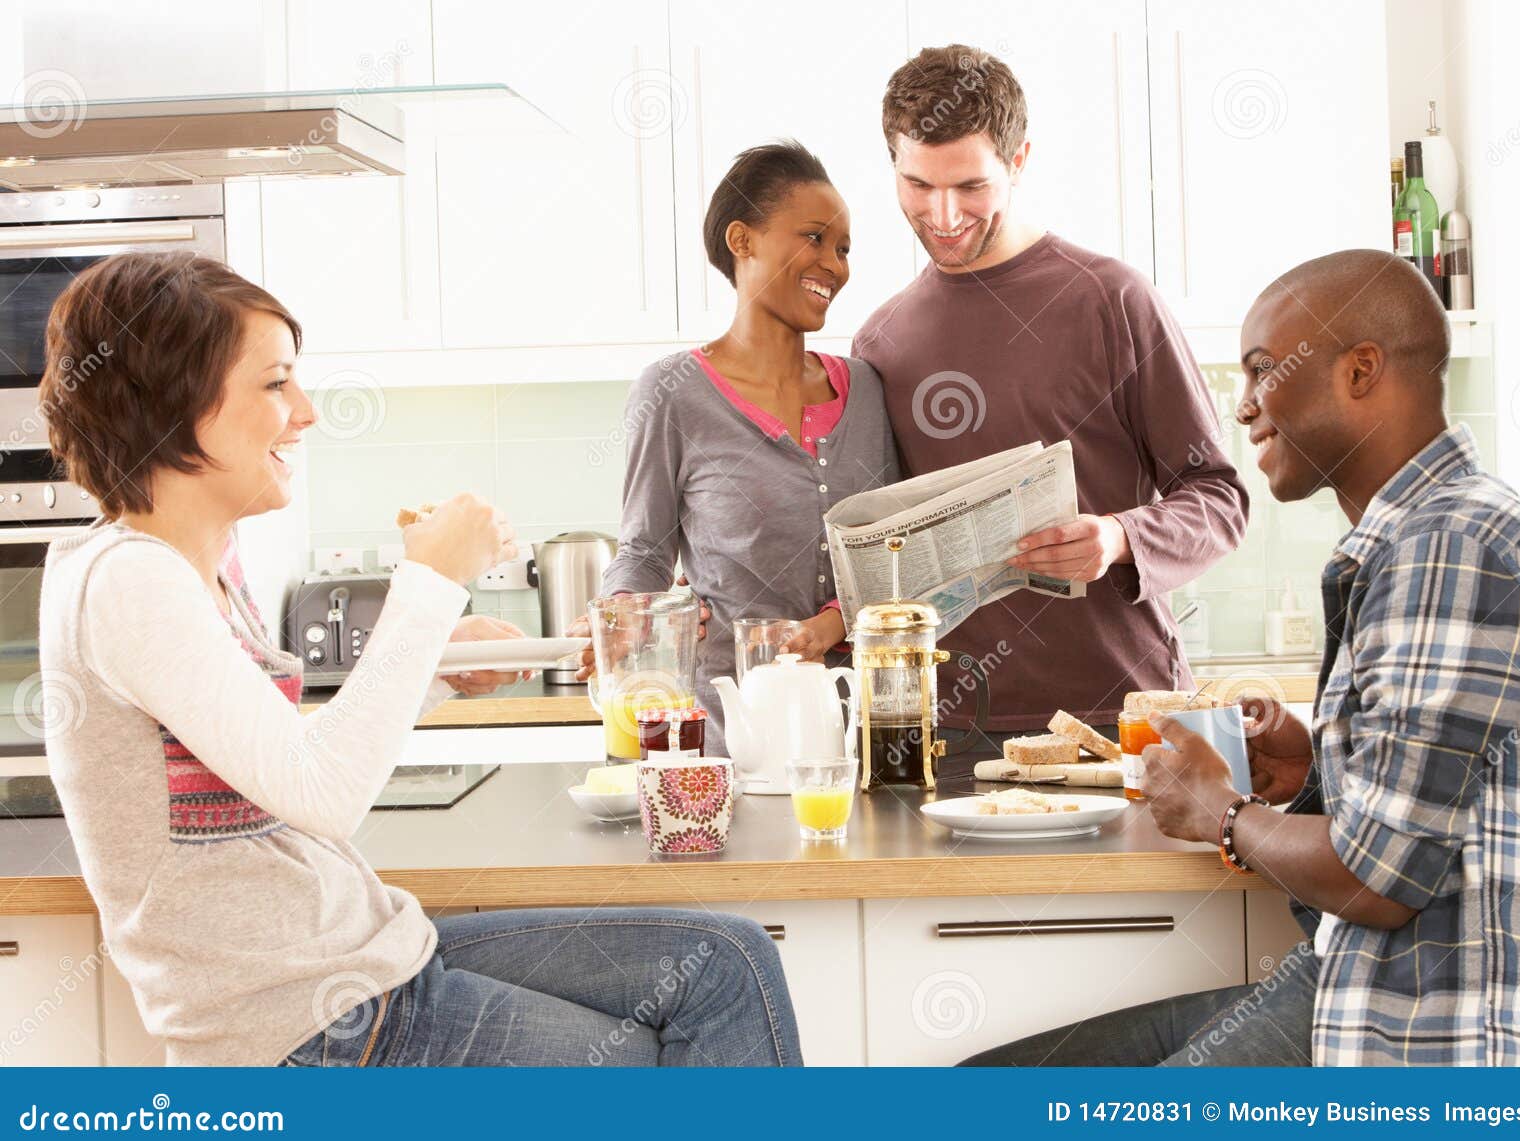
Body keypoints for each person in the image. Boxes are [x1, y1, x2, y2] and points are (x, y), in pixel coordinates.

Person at [38, 250, 802, 1067]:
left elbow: (282, 762)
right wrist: (430, 577)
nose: (305, 412)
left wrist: (432, 669)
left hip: (363, 964)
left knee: (725, 964)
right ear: (175, 402)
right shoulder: (128, 581)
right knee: (631, 1066)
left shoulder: (203, 565)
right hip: (301, 1028)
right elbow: (321, 793)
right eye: (274, 383)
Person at [964, 249, 1520, 1066]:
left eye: (1264, 371)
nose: (1247, 405)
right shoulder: (1431, 533)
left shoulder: (1448, 548)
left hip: (1438, 1034)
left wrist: (1221, 810)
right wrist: (1311, 770)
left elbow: (1380, 880)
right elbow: (1429, 811)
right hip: (1358, 981)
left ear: (1361, 370)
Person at [854, 46, 1248, 772]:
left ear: (1020, 159)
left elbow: (1221, 500)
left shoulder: (1112, 300)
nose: (942, 215)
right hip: (952, 742)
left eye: (971, 185)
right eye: (917, 184)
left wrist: (1118, 535)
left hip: (1123, 725)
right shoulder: (881, 341)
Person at [594, 140, 899, 754]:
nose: (834, 265)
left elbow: (891, 556)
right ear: (743, 241)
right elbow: (643, 552)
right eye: (814, 238)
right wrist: (625, 613)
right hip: (728, 741)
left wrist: (827, 627)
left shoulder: (865, 386)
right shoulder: (674, 392)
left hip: (864, 737)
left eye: (843, 249)